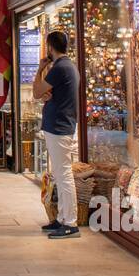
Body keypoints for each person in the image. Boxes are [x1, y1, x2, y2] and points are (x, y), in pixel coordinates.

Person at [33, 29, 81, 239]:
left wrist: (39, 70)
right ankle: (62, 218)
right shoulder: (68, 67)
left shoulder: (59, 68)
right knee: (61, 175)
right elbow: (46, 94)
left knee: (64, 175)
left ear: (50, 47)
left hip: (60, 126)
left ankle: (70, 222)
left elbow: (36, 92)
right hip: (61, 125)